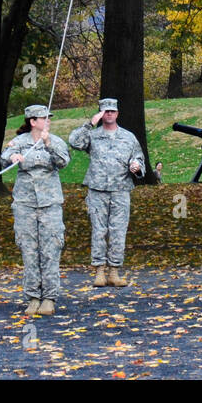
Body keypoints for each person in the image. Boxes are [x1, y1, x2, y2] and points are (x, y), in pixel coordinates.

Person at [1, 104, 70, 316]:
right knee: (29, 250)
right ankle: (33, 297)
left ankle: (49, 297)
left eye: (49, 117)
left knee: (51, 249)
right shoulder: (20, 142)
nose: (48, 120)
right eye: (43, 117)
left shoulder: (55, 141)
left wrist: (48, 143)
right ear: (33, 121)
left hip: (50, 204)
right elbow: (4, 158)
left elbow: (63, 162)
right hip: (25, 204)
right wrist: (13, 158)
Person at [69, 98, 144, 287]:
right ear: (101, 114)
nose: (109, 114)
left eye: (112, 111)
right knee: (99, 231)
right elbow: (74, 142)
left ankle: (114, 271)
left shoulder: (128, 137)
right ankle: (99, 271)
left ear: (117, 114)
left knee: (118, 232)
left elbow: (138, 157)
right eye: (105, 111)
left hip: (121, 189)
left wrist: (136, 165)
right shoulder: (92, 136)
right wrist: (90, 123)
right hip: (97, 190)